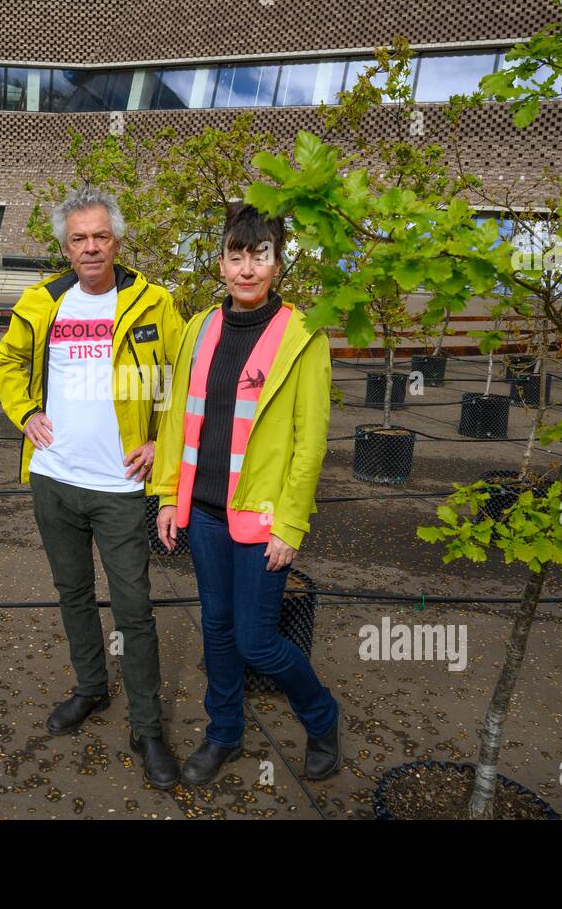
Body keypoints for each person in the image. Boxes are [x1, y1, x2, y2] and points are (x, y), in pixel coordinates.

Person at [0, 186, 186, 789]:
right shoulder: (42, 301)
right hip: (54, 480)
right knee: (72, 592)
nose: (91, 247)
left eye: (100, 235)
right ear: (66, 247)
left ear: (117, 239)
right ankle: (91, 689)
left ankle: (149, 727)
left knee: (134, 608)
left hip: (121, 486)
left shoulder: (154, 302)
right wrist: (25, 413)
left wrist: (161, 443)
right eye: (79, 238)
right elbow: (6, 362)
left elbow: (182, 383)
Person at [152, 202, 341, 784]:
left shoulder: (304, 337)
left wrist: (291, 524)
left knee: (259, 643)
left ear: (278, 264)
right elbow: (175, 419)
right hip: (204, 513)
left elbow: (310, 443)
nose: (247, 268)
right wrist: (166, 496)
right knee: (217, 629)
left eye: (260, 256)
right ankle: (223, 734)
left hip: (262, 518)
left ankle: (322, 716)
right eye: (236, 255)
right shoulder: (200, 328)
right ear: (221, 263)